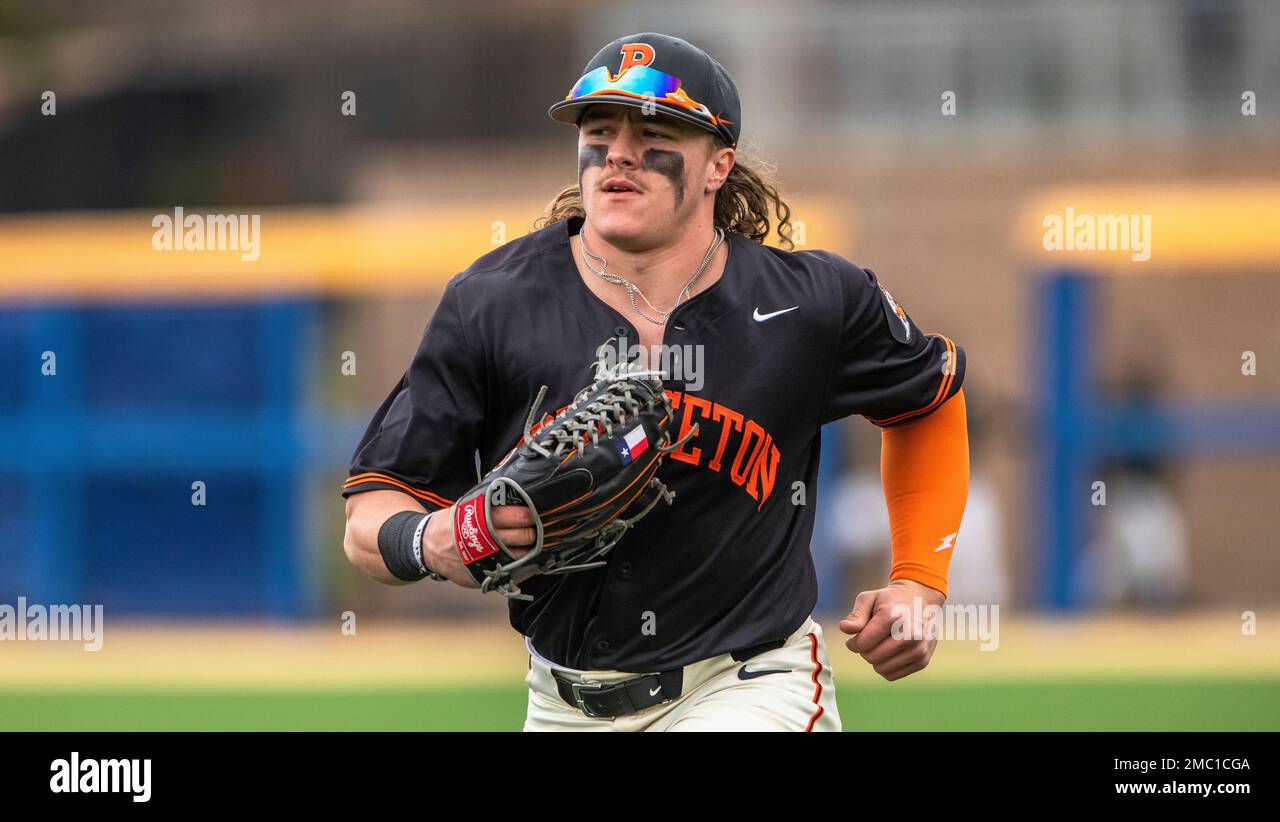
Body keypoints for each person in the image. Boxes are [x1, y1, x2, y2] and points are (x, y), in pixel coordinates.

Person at [341, 32, 971, 731]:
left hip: (747, 685)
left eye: (656, 130)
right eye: (600, 128)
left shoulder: (810, 301)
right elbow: (369, 516)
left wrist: (919, 581)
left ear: (718, 164)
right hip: (561, 703)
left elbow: (927, 398)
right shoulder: (490, 303)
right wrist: (436, 539)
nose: (619, 150)